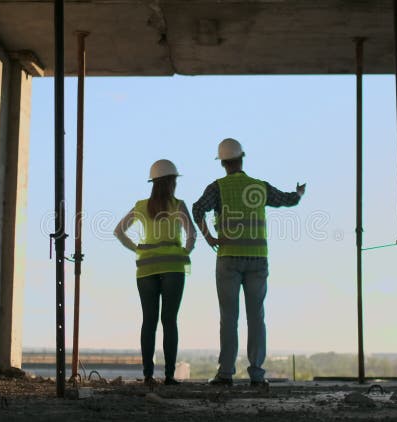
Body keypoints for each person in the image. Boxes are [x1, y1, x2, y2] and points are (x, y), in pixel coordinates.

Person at [192, 138, 305, 387]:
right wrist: (298, 193)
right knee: (256, 318)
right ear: (242, 158)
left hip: (228, 259)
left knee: (229, 318)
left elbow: (197, 209)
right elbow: (287, 200)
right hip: (257, 259)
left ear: (222, 163)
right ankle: (256, 374)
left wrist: (209, 236)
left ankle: (225, 374)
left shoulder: (217, 188)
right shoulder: (259, 187)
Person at [114, 159, 196, 386]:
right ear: (172, 182)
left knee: (148, 321)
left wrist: (137, 248)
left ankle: (148, 375)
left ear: (153, 182)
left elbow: (118, 232)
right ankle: (169, 376)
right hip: (173, 268)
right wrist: (184, 253)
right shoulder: (178, 205)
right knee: (169, 321)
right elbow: (192, 235)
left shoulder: (141, 206)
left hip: (146, 268)